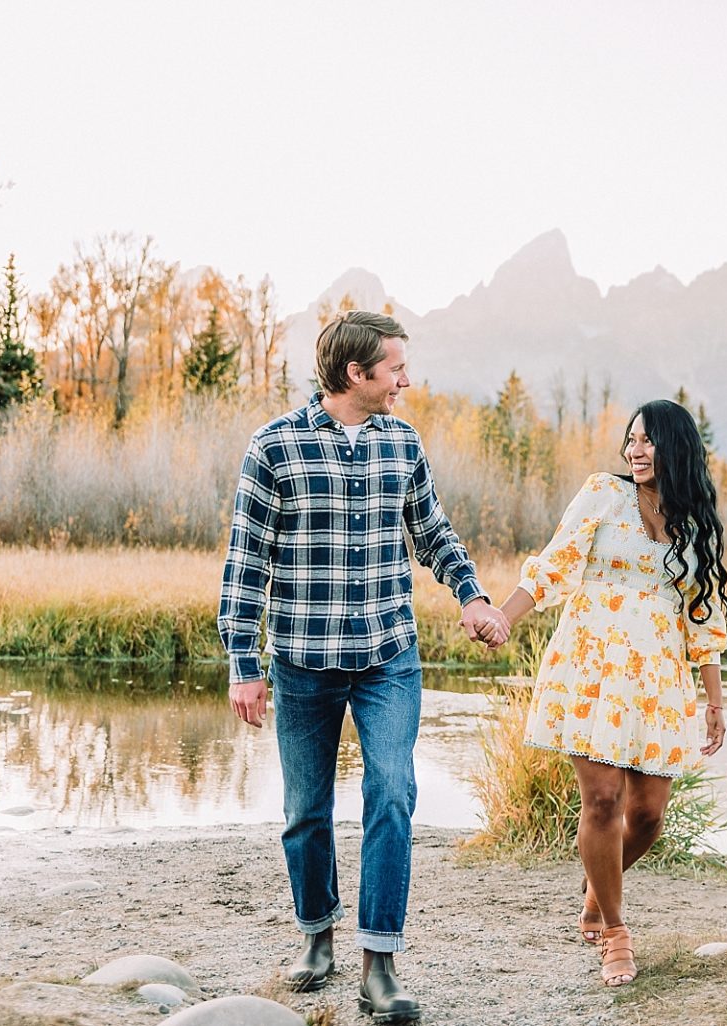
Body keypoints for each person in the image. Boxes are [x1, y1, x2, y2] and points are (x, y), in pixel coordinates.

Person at [219, 310, 508, 1023]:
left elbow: (432, 531)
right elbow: (246, 562)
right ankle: (317, 936)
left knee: (393, 792)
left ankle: (380, 963)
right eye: (395, 368)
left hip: (388, 657)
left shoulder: (403, 443)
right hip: (303, 661)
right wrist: (243, 663)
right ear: (357, 373)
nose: (405, 380)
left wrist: (472, 595)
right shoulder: (274, 447)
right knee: (305, 810)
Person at [485, 398, 727, 987]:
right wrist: (503, 616)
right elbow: (553, 566)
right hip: (591, 668)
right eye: (630, 440)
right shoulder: (603, 492)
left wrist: (715, 702)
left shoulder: (695, 524)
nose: (634, 450)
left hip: (657, 680)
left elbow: (702, 618)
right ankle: (615, 933)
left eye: (646, 440)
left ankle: (598, 887)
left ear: (675, 446)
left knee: (647, 816)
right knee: (602, 801)